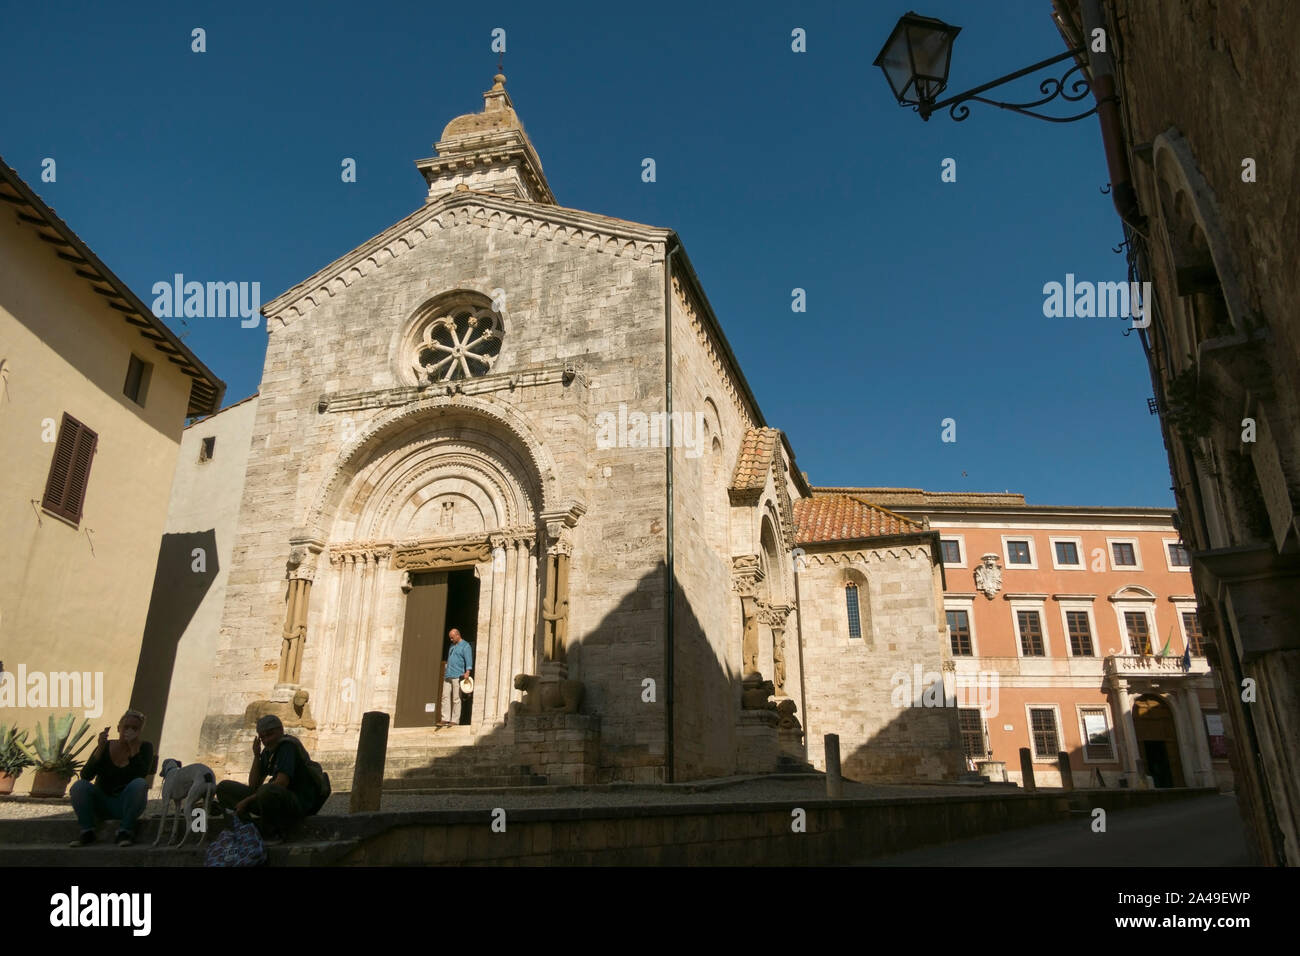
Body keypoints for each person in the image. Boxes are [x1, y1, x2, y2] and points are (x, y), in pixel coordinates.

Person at [213, 715, 316, 844]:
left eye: (270, 735)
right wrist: (257, 756)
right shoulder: (268, 751)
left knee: (268, 790)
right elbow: (254, 784)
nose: (266, 740)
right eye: (262, 737)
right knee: (224, 788)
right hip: (274, 799)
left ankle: (272, 834)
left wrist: (246, 801)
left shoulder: (287, 747)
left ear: (280, 730)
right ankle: (250, 829)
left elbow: (281, 783)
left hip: (298, 802)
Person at [68, 709, 153, 847]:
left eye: (134, 728)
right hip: (102, 801)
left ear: (139, 731)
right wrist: (100, 748)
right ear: (119, 728)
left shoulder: (145, 747)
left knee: (140, 784)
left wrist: (133, 749)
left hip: (126, 803)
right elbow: (86, 776)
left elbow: (140, 774)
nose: (129, 730)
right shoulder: (106, 746)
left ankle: (125, 832)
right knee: (79, 786)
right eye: (126, 727)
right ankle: (87, 831)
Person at [439, 628, 473, 726]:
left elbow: (468, 660)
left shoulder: (465, 646)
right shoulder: (452, 645)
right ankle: (445, 718)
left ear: (458, 635)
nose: (451, 640)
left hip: (458, 675)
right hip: (448, 674)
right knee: (445, 696)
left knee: (456, 698)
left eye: (452, 638)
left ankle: (454, 720)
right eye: (450, 638)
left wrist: (467, 672)